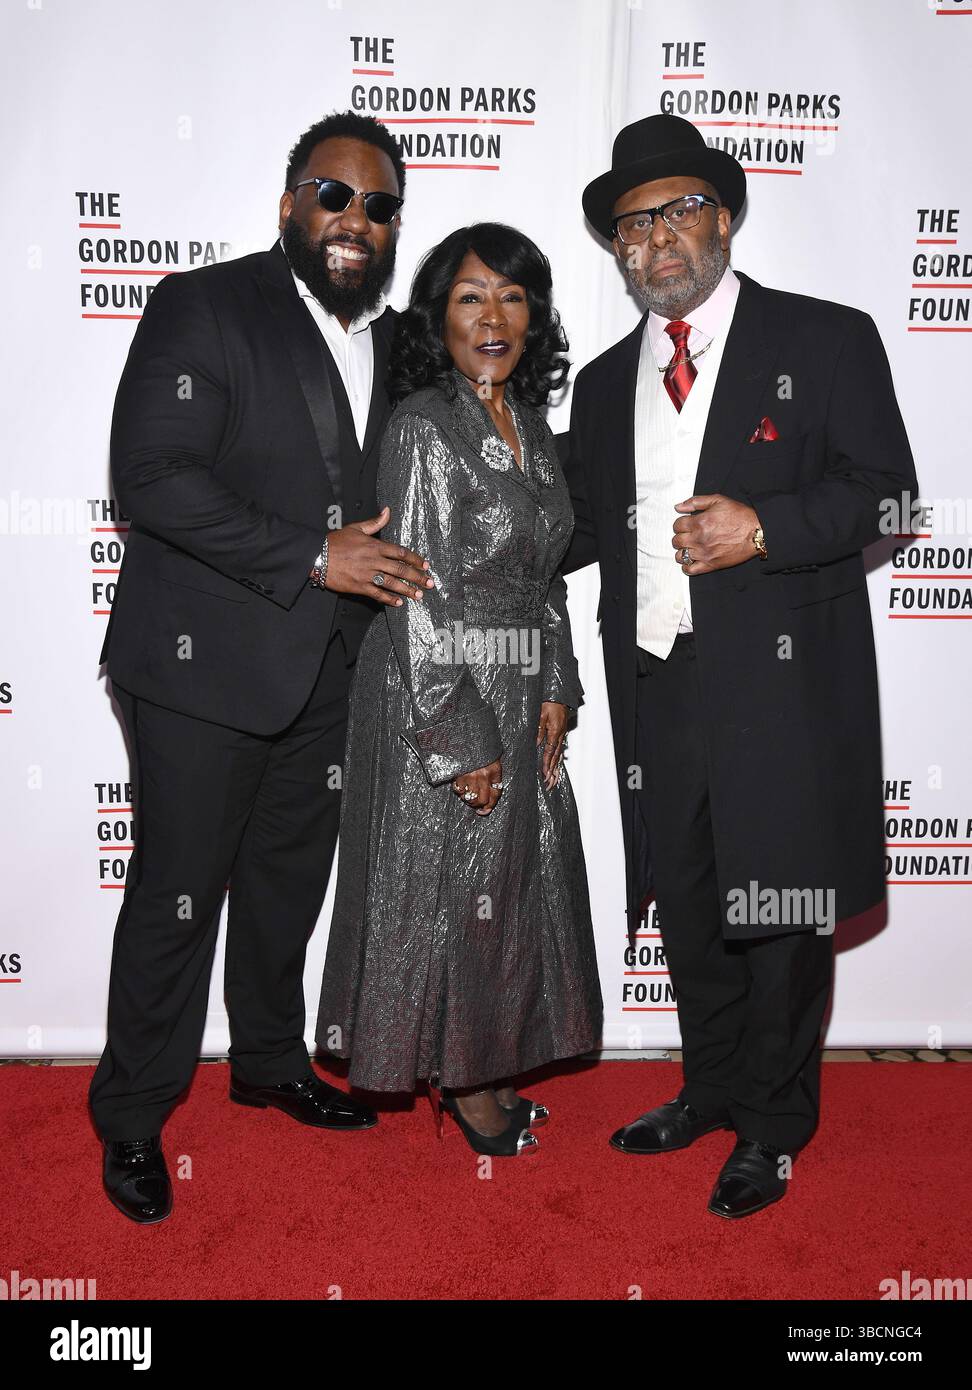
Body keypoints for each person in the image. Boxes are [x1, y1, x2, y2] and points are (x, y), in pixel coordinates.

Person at [561, 115, 917, 1217]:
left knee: (782, 906)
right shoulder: (611, 374)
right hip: (658, 679)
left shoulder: (827, 337)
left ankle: (773, 1125)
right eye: (632, 224)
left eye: (675, 211)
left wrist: (762, 526)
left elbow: (888, 494)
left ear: (722, 216)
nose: (655, 241)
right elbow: (572, 527)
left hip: (784, 686)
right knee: (695, 900)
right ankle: (710, 1088)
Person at [91, 112, 435, 1224]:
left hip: (331, 668)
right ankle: (134, 1114)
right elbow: (150, 475)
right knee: (178, 893)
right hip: (200, 668)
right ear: (291, 203)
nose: (355, 222)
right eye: (334, 196)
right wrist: (310, 553)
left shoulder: (391, 339)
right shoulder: (205, 305)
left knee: (289, 879)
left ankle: (270, 1060)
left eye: (379, 207)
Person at [317, 223, 603, 1155]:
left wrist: (558, 684)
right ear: (438, 315)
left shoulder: (525, 422)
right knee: (446, 892)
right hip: (434, 694)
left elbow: (547, 572)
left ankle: (483, 1058)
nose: (494, 317)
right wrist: (461, 736)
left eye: (513, 298)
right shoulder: (424, 426)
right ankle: (471, 1090)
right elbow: (415, 590)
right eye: (472, 297)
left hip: (523, 691)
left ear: (535, 318)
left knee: (507, 894)